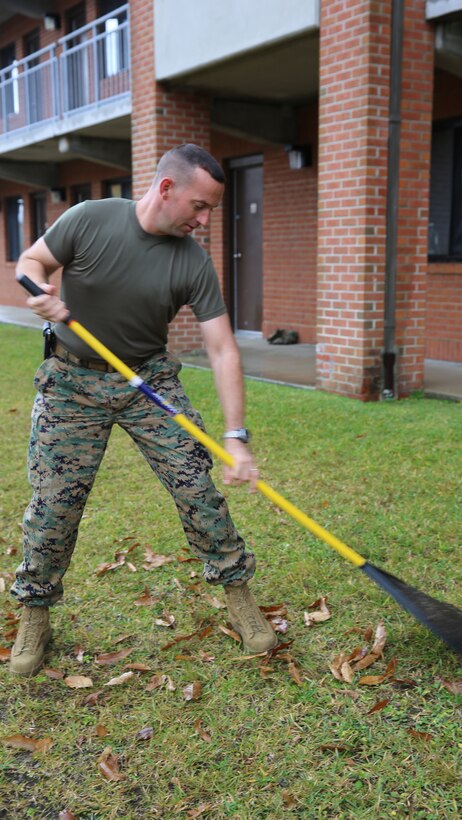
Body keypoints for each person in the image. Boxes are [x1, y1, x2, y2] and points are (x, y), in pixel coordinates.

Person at [10, 143, 277, 676]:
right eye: (199, 206)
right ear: (166, 188)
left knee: (196, 488)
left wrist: (235, 435)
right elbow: (32, 260)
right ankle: (35, 613)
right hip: (71, 380)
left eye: (211, 210)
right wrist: (38, 290)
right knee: (54, 503)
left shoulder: (192, 261)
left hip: (147, 381)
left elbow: (223, 348)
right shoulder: (90, 219)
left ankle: (238, 594)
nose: (203, 220)